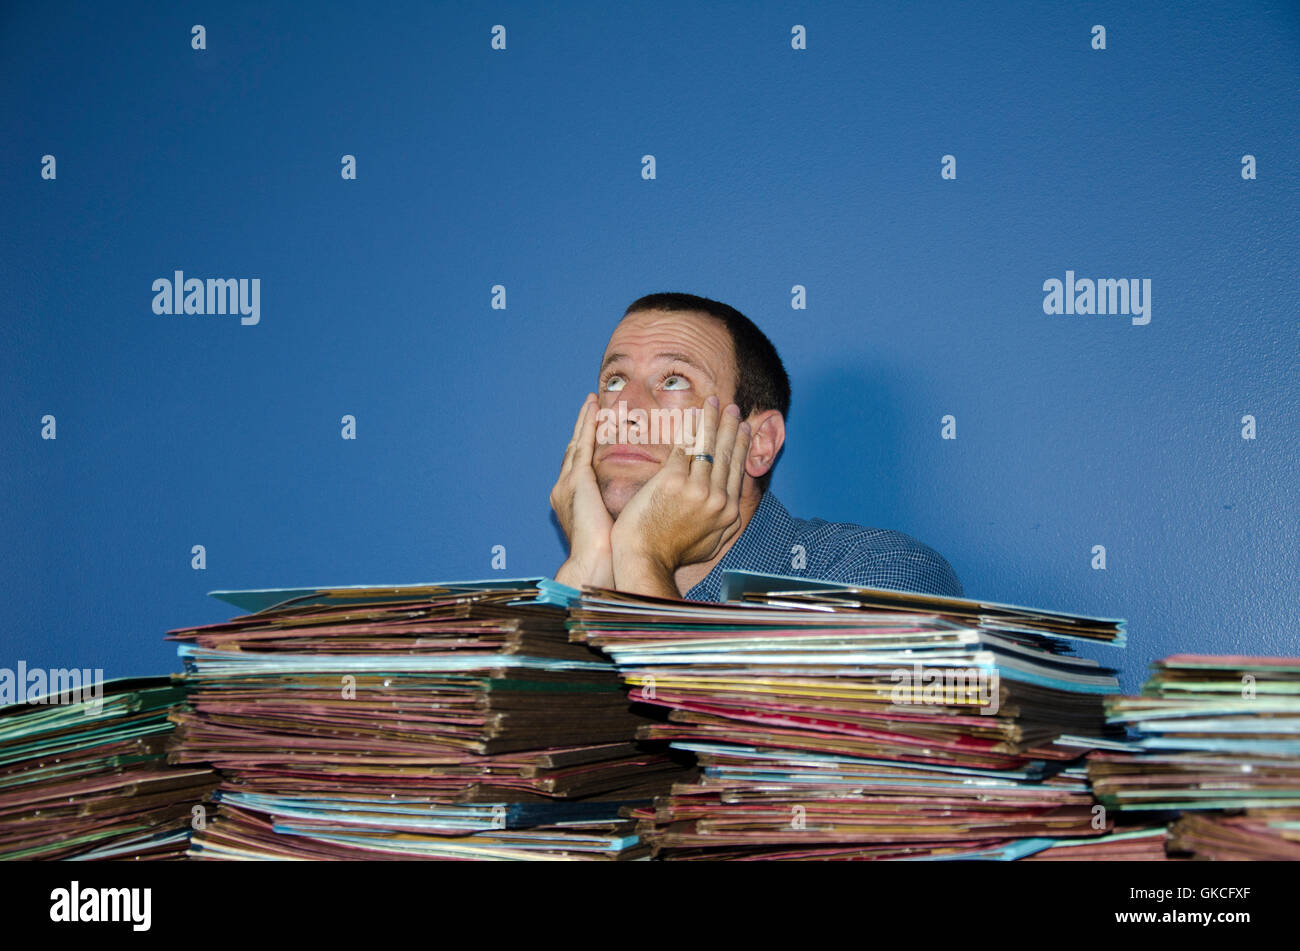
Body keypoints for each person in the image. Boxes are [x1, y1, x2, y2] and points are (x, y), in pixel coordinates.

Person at [550, 292, 963, 601]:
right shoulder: (578, 578)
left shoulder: (878, 578)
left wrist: (643, 559)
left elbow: (696, 718)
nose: (624, 410)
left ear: (759, 443)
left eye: (674, 380)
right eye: (614, 381)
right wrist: (585, 570)